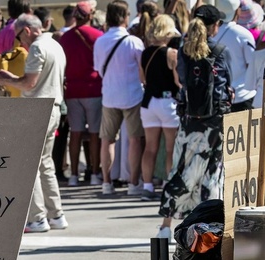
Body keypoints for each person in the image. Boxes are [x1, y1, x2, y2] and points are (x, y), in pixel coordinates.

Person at [158, 4, 232, 238]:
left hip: (189, 121)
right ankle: (209, 229)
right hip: (215, 123)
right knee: (212, 173)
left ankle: (165, 227)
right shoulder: (220, 50)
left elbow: (181, 83)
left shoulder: (183, 51)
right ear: (214, 26)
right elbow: (226, 88)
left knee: (181, 170)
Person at [0, 14, 69, 234]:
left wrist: (6, 78)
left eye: (19, 37)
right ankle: (56, 215)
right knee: (45, 164)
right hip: (54, 107)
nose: (20, 43)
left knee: (31, 165)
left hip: (37, 110)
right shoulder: (56, 45)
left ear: (27, 30)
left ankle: (37, 218)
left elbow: (29, 83)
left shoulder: (38, 47)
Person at [95, 1, 145, 197]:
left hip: (109, 95)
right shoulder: (134, 42)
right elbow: (142, 72)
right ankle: (133, 182)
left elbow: (99, 69)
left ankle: (106, 182)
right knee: (135, 139)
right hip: (132, 94)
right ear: (126, 17)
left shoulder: (100, 41)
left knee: (107, 140)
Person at [59, 2, 104, 188]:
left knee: (75, 134)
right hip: (93, 88)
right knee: (94, 134)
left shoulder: (65, 38)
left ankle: (74, 176)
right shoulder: (98, 36)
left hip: (72, 91)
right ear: (90, 16)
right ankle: (94, 173)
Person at [139, 15, 181, 201]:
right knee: (171, 148)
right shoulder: (172, 53)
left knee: (150, 147)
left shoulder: (145, 52)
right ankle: (168, 185)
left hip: (148, 103)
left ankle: (147, 186)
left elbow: (143, 79)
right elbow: (178, 81)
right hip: (167, 102)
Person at [211, 0, 258, 112]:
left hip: (218, 96)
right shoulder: (243, 34)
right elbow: (252, 65)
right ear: (237, 11)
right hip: (243, 96)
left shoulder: (210, 34)